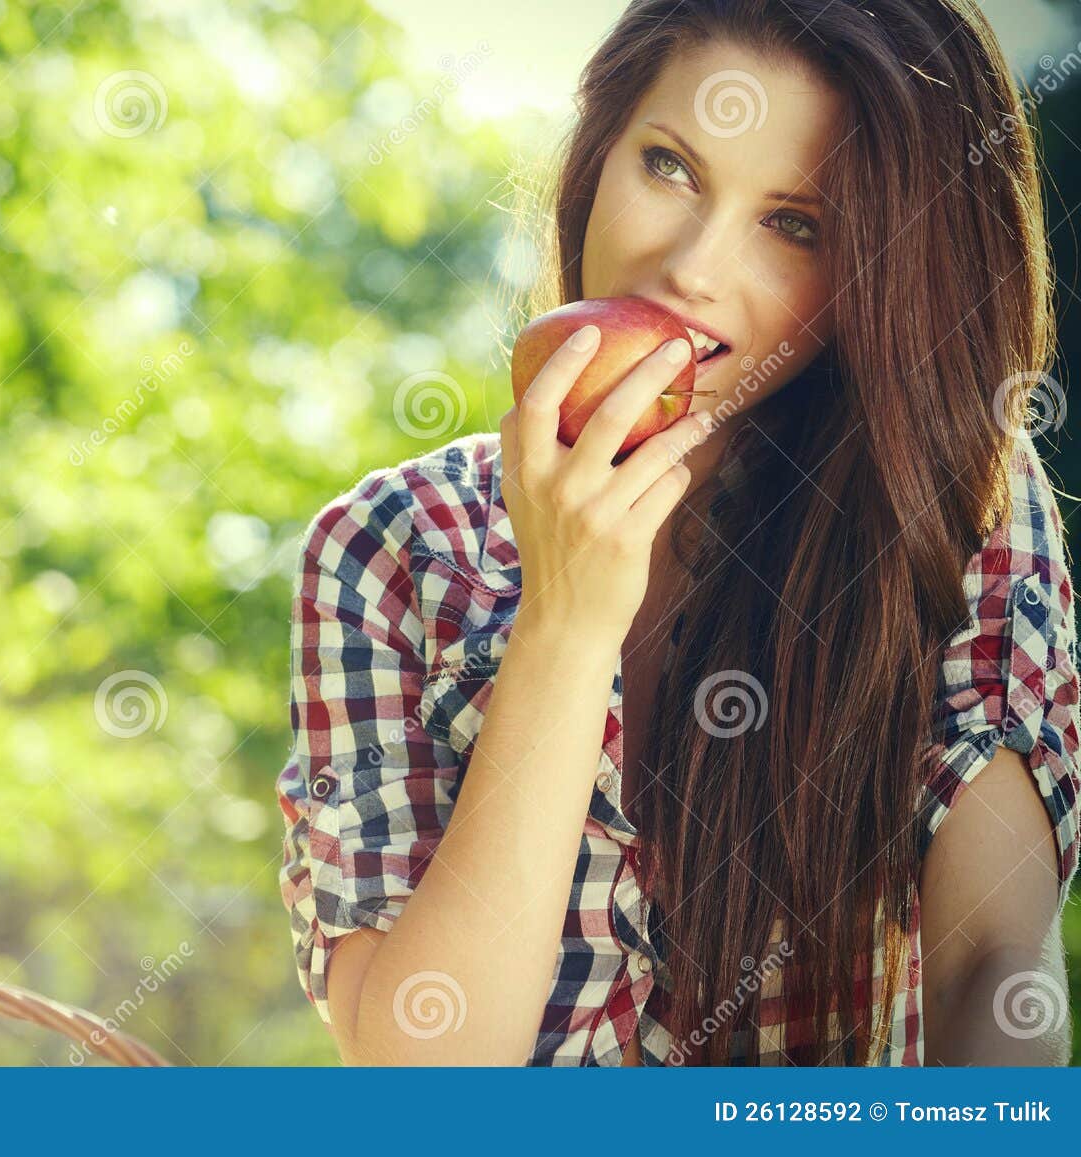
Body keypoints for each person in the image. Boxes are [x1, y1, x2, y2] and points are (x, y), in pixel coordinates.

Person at [275, 0, 1080, 1065]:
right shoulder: (391, 546)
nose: (693, 269)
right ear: (597, 154)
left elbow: (993, 971)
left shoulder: (945, 504)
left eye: (795, 223)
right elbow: (423, 1075)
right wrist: (564, 622)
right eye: (670, 167)